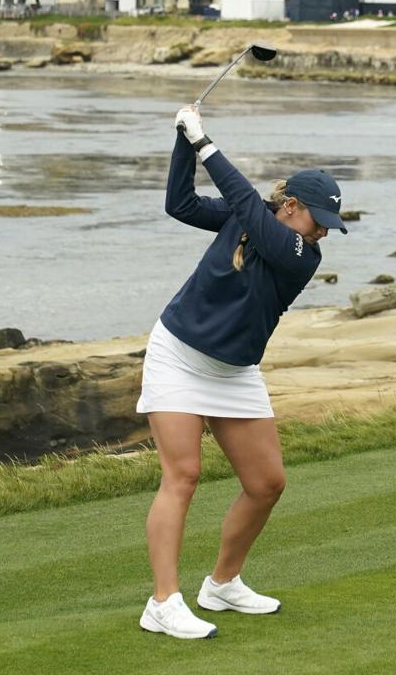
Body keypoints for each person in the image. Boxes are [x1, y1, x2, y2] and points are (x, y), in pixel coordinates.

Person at [137, 104, 349, 640]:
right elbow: (181, 204)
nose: (324, 234)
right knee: (183, 475)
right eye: (320, 222)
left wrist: (204, 141)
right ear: (292, 206)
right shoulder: (249, 218)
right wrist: (184, 142)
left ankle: (222, 584)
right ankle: (162, 603)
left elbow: (251, 212)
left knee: (266, 483)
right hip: (179, 356)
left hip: (233, 373)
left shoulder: (300, 255)